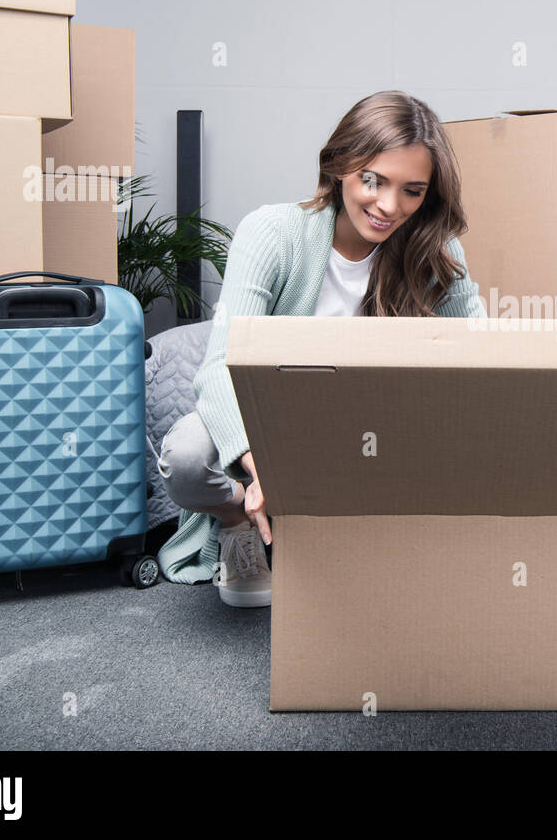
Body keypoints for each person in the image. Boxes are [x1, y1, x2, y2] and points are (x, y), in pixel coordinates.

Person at [155, 91, 485, 606]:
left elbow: (477, 356)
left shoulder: (434, 250)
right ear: (339, 166)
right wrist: (262, 465)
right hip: (264, 418)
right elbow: (219, 365)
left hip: (363, 426)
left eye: (413, 191)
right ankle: (236, 521)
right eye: (373, 181)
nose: (389, 207)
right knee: (188, 457)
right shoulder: (273, 233)